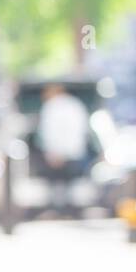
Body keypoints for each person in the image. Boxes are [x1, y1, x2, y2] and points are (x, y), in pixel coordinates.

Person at [36, 83, 90, 216]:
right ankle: (69, 211)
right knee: (70, 184)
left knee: (59, 185)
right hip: (75, 151)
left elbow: (51, 132)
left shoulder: (52, 107)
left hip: (59, 152)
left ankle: (60, 210)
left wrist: (55, 151)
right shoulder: (76, 105)